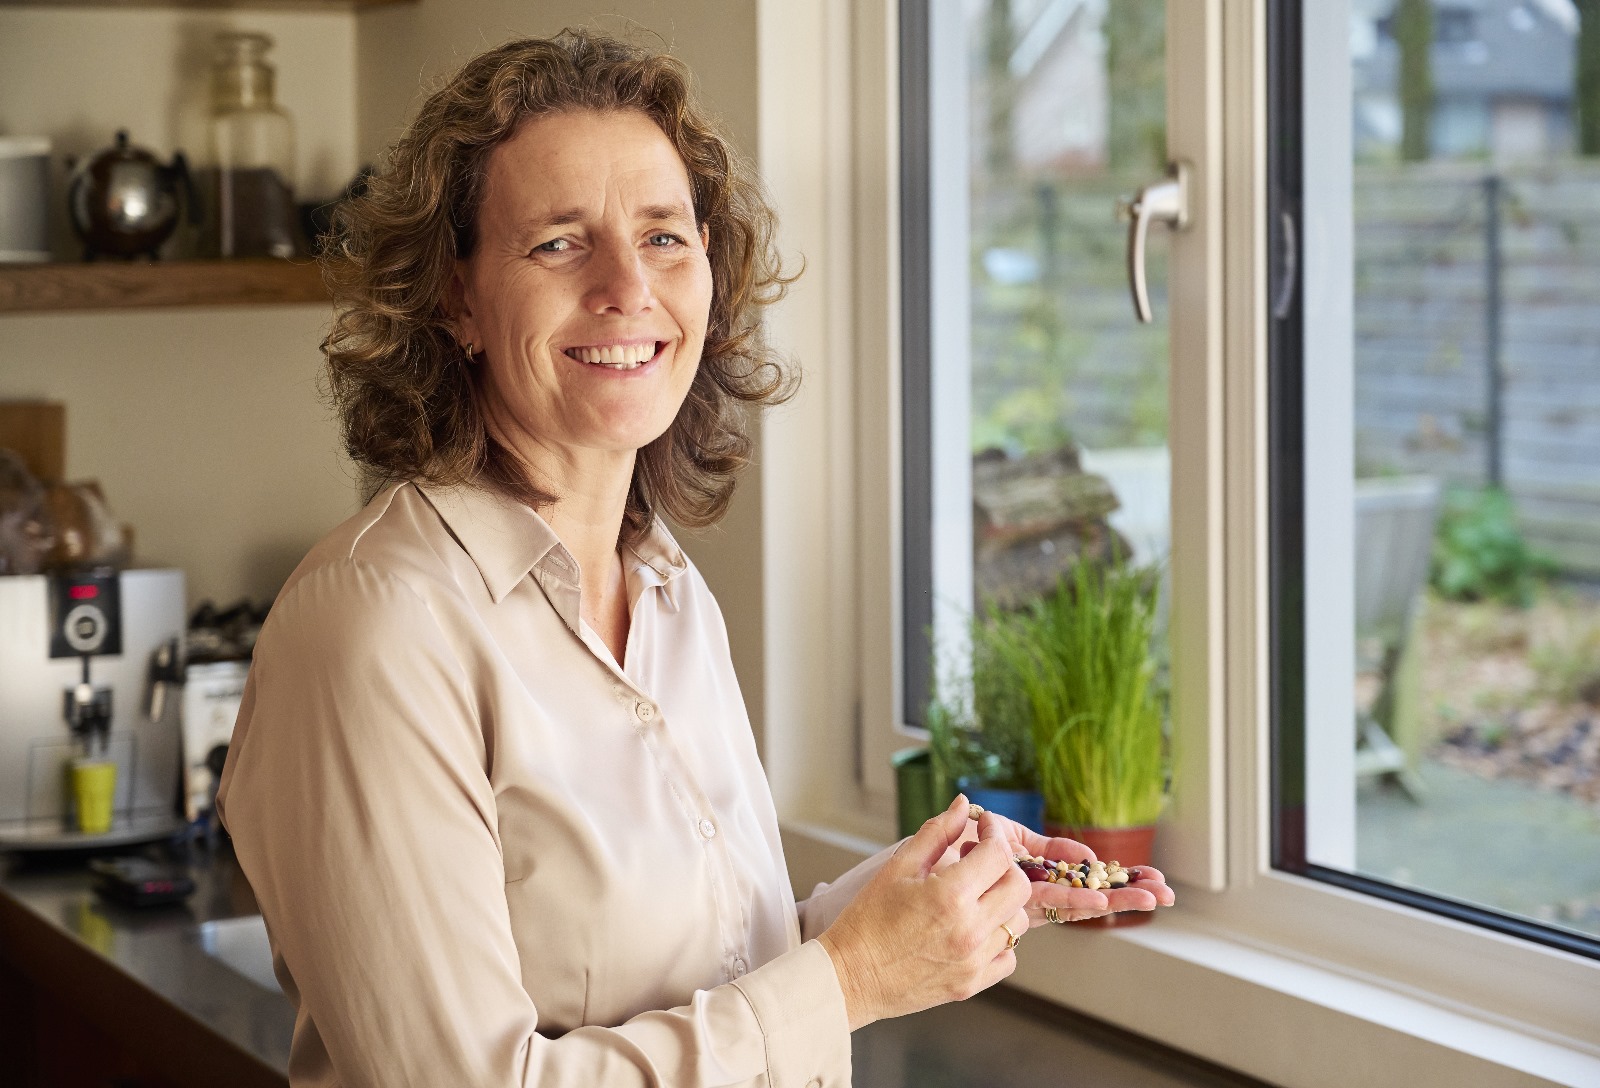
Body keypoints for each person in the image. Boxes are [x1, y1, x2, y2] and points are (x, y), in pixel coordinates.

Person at [216, 30, 1173, 1088]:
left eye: (664, 236)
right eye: (559, 244)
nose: (628, 286)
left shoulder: (667, 589)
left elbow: (705, 975)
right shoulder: (376, 624)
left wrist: (908, 906)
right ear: (457, 298)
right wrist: (851, 979)